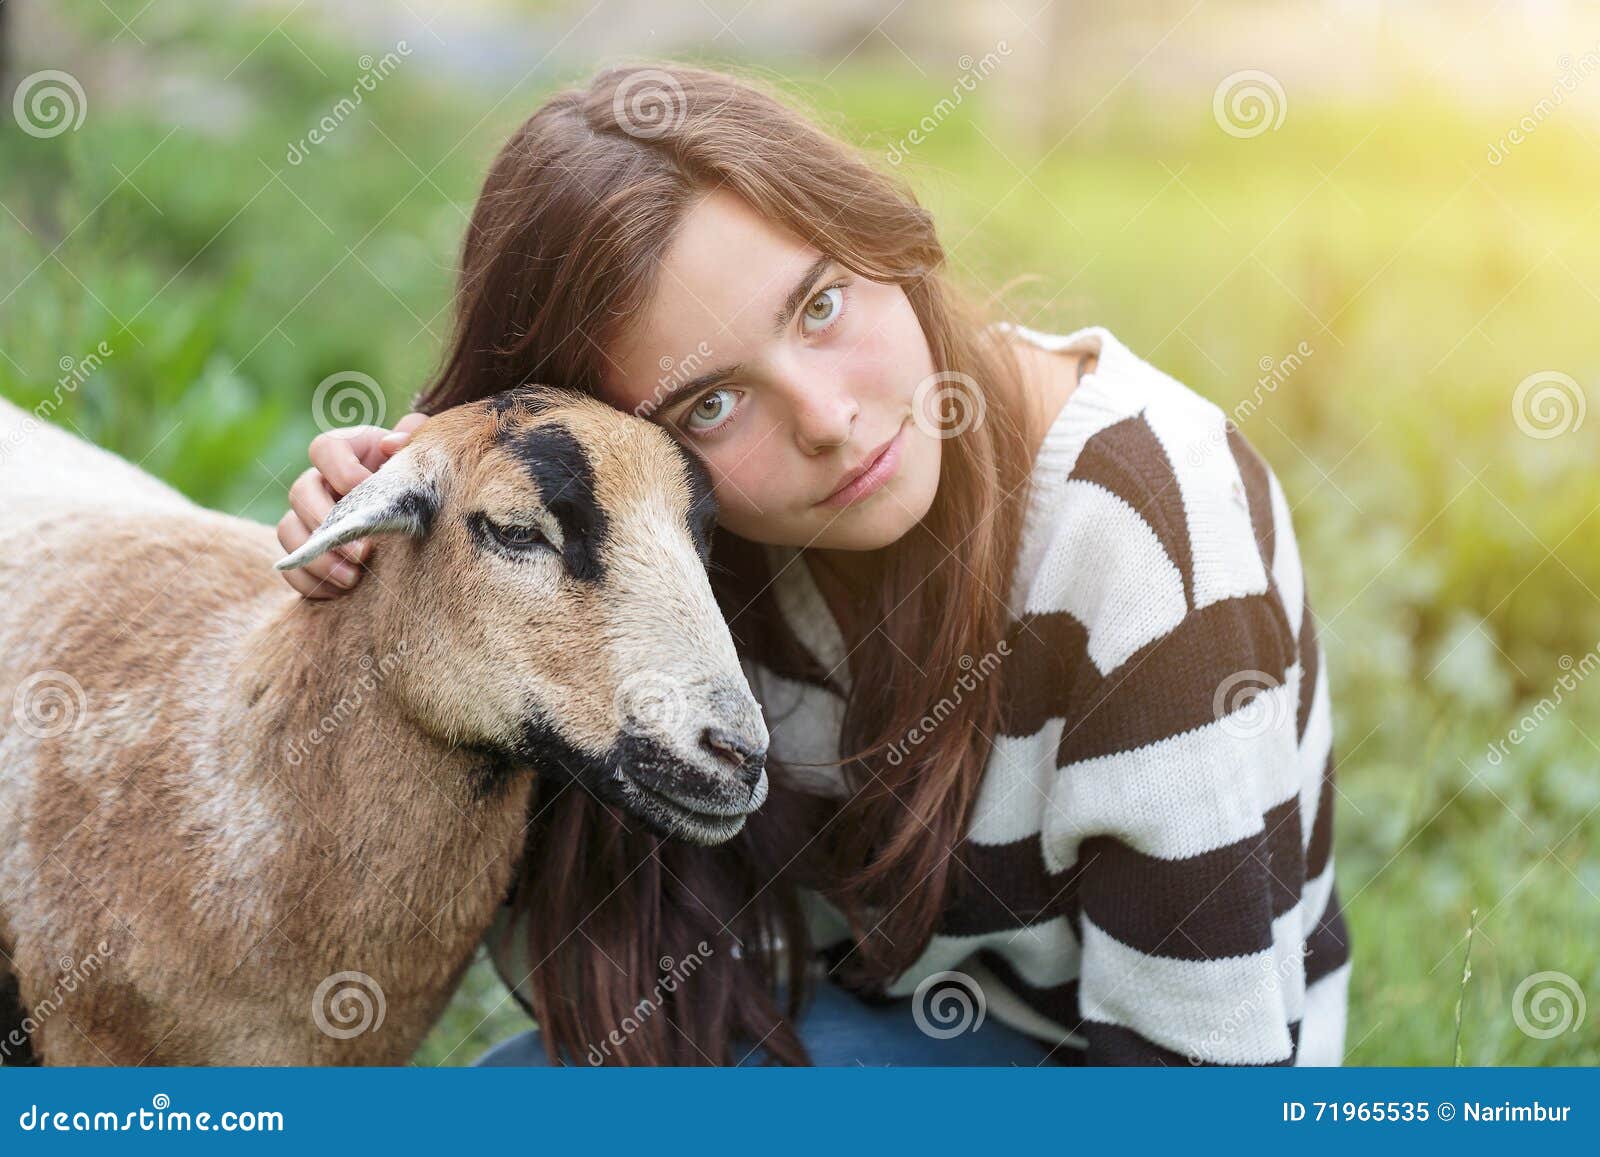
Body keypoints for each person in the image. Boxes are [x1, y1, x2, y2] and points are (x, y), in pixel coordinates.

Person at [275, 63, 1350, 1066]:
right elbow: (543, 912)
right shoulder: (667, 548)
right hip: (837, 1017)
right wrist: (420, 572)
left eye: (822, 304)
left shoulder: (1144, 518)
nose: (829, 420)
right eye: (711, 402)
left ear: (873, 232)